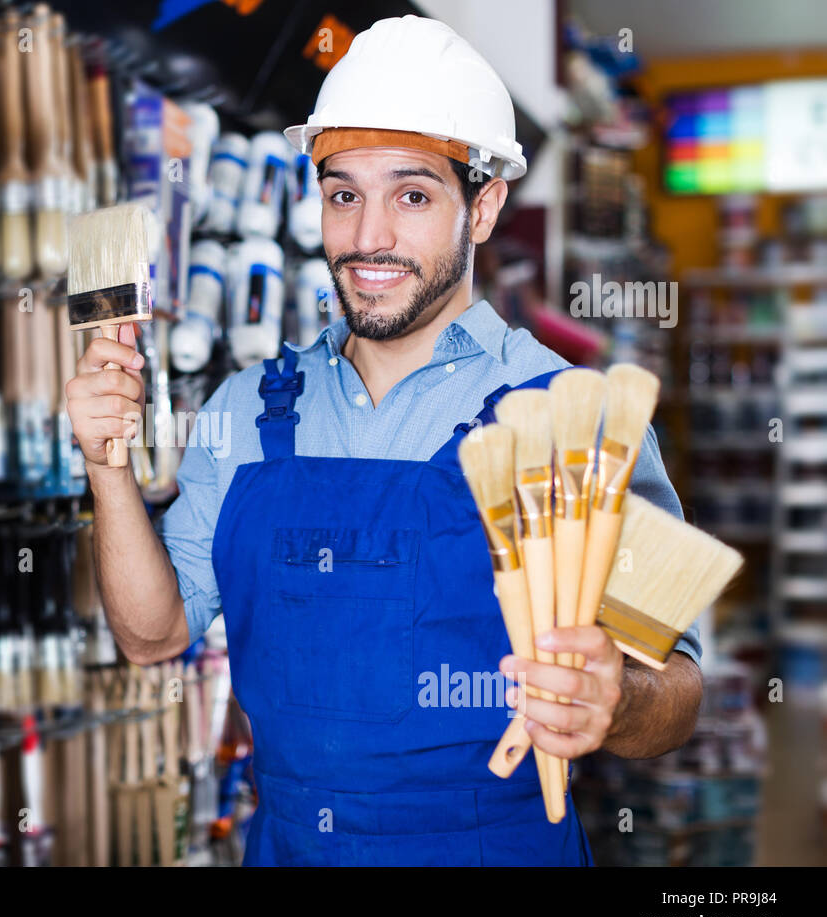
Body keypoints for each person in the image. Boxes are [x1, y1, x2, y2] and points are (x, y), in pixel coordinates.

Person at [65, 15, 699, 865]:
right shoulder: (247, 408)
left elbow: (680, 689)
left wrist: (616, 700)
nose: (368, 238)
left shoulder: (578, 416)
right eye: (342, 194)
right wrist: (108, 468)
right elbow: (155, 634)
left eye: (411, 194)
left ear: (483, 205)